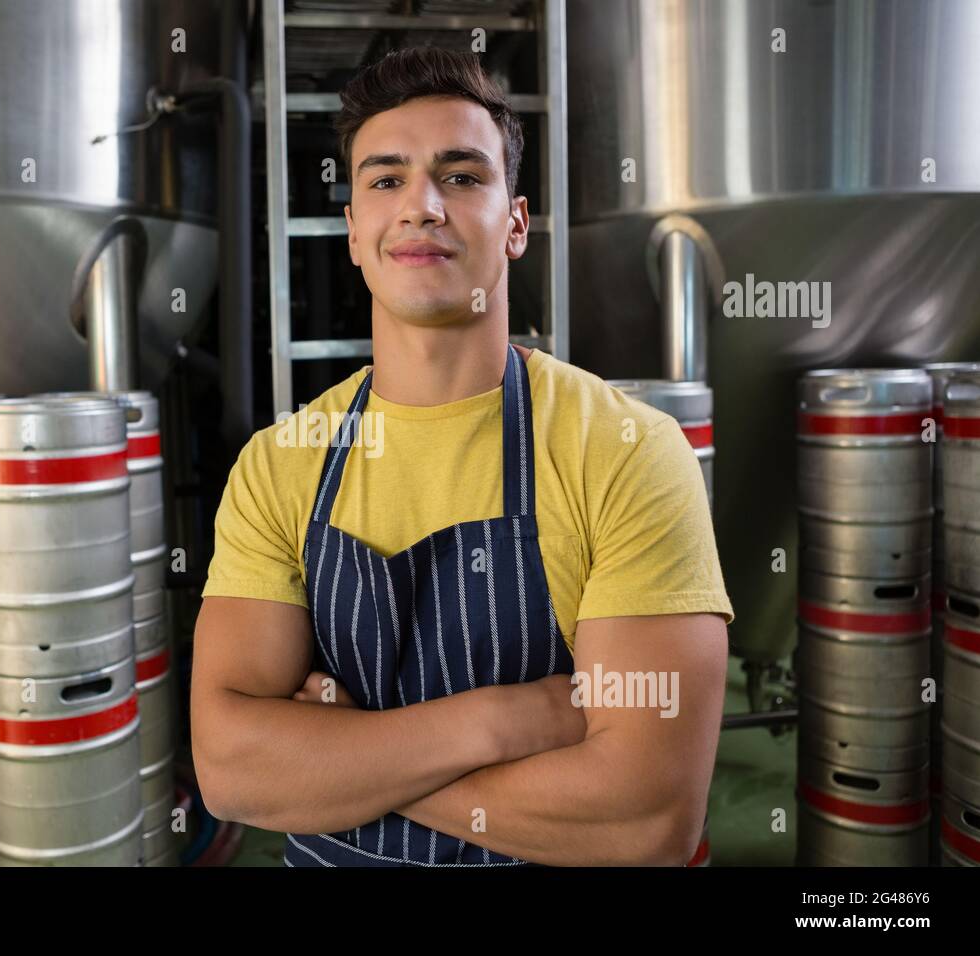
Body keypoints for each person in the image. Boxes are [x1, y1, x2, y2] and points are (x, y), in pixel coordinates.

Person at [191, 47, 733, 867]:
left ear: (515, 224)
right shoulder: (281, 463)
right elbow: (231, 773)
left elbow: (645, 819)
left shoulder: (625, 452)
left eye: (461, 176)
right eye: (384, 180)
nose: (421, 206)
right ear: (353, 232)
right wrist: (501, 722)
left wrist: (340, 754)